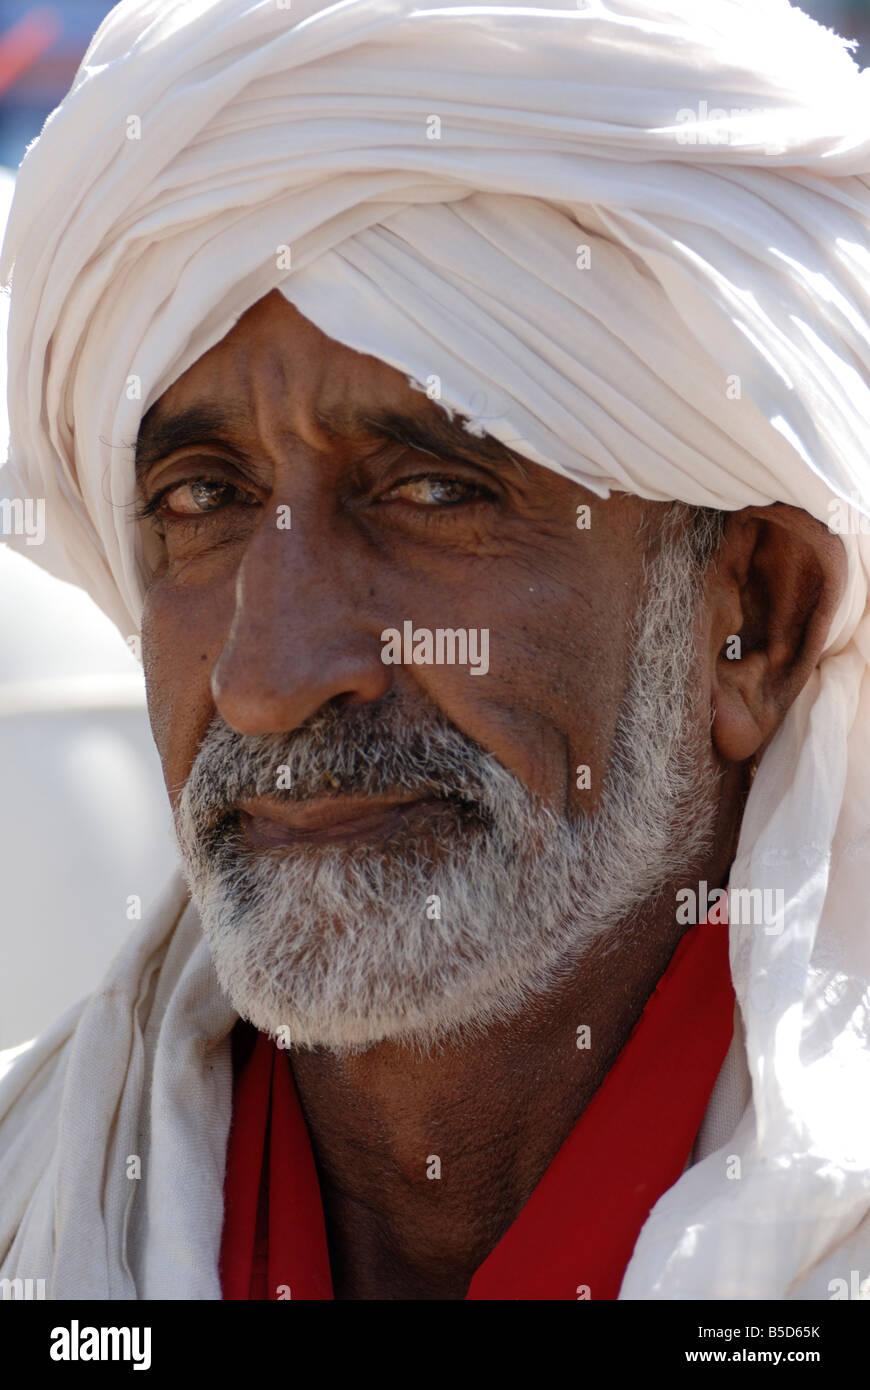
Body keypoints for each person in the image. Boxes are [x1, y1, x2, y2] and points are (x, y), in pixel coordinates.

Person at [1, 0, 870, 1301]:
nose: (269, 674)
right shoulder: (41, 1198)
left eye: (428, 490)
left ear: (751, 615)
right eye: (200, 498)